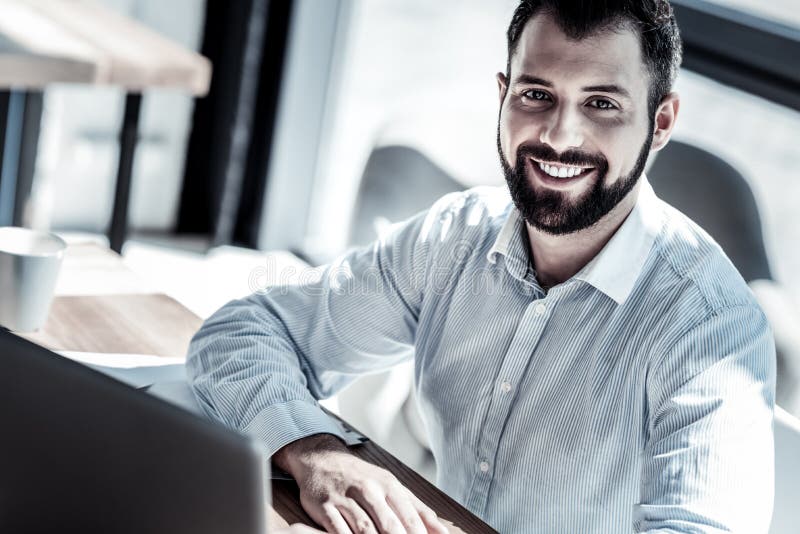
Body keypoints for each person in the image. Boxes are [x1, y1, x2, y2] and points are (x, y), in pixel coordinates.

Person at [186, 1, 776, 532]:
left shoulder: (709, 327)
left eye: (601, 104)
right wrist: (315, 448)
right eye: (536, 94)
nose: (558, 135)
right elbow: (244, 334)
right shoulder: (453, 236)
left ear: (661, 121)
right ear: (503, 94)